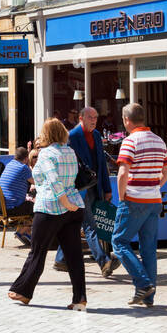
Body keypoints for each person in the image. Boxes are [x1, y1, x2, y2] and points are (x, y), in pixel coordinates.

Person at [8, 118, 87, 310]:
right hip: (74, 207)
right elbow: (74, 177)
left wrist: (64, 201)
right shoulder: (70, 151)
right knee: (74, 255)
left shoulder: (45, 154)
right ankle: (80, 298)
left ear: (47, 135)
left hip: (50, 207)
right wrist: (69, 203)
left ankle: (23, 291)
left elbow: (53, 180)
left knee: (38, 251)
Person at [111, 102, 167, 308]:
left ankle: (143, 284)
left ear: (126, 120)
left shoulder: (129, 142)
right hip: (154, 200)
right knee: (148, 249)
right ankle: (148, 296)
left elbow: (122, 173)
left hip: (134, 199)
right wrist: (155, 185)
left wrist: (122, 196)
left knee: (119, 242)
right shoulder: (159, 141)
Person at [56, 106, 118, 279]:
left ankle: (60, 259)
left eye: (96, 117)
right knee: (90, 225)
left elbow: (101, 165)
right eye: (91, 117)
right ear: (81, 118)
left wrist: (107, 188)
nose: (94, 120)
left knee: (75, 225)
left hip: (94, 187)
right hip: (78, 188)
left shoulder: (97, 136)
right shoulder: (71, 137)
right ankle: (104, 261)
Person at [0, 143, 35, 245]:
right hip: (13, 207)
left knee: (29, 204)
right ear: (26, 158)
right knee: (38, 208)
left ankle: (27, 233)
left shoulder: (10, 164)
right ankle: (21, 231)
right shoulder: (23, 168)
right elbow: (36, 182)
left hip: (3, 206)